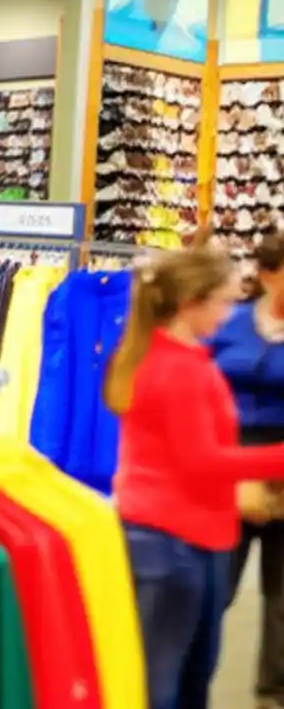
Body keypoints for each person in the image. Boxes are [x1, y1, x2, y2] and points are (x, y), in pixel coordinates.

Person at [106, 246, 284, 709]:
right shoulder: (179, 370)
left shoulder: (167, 356)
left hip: (180, 533)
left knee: (183, 672)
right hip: (172, 539)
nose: (229, 315)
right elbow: (201, 462)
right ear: (191, 303)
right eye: (223, 302)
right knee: (165, 680)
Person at [212, 235, 284, 709]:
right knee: (216, 583)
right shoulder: (232, 322)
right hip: (227, 458)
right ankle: (184, 675)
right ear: (269, 273)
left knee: (283, 593)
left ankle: (273, 690)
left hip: (282, 456)